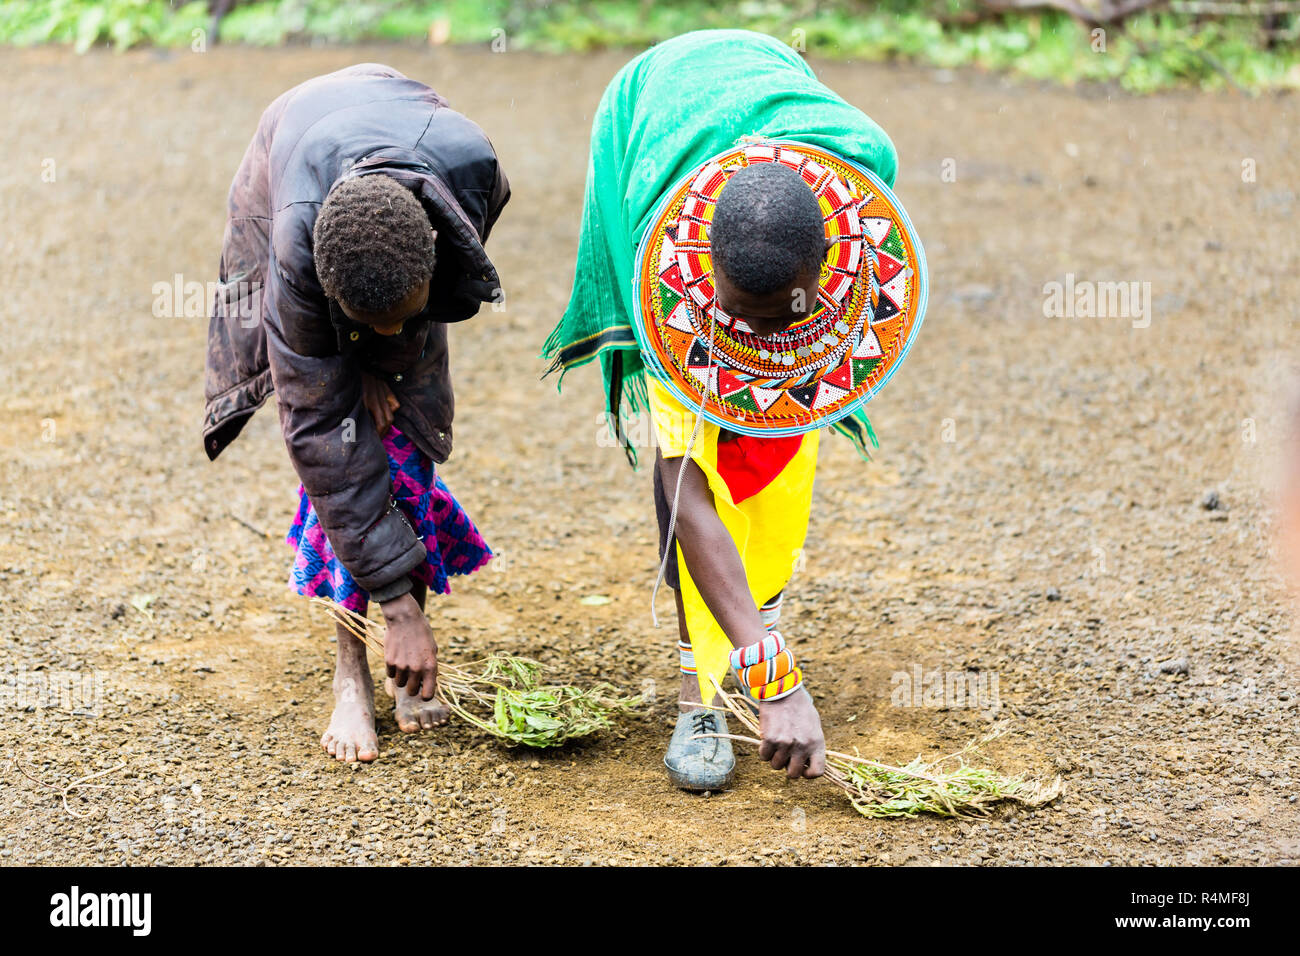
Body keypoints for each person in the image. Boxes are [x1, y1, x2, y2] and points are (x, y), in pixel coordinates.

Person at [543, 30, 925, 791]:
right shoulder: (668, 274)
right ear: (705, 276)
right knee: (683, 449)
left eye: (775, 320)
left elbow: (792, 387)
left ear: (826, 280)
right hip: (649, 124)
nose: (747, 337)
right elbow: (684, 487)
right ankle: (700, 694)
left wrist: (762, 647)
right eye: (734, 314)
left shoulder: (859, 195)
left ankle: (756, 622)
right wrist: (775, 678)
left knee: (787, 433)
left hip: (767, 89)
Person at [203, 64, 510, 762]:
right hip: (292, 165)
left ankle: (406, 656)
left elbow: (411, 300)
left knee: (408, 448)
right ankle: (353, 671)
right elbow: (319, 439)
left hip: (403, 192)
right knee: (349, 445)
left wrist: (386, 355)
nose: (380, 339)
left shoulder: (471, 173)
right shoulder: (295, 260)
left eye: (394, 323)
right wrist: (393, 604)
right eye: (359, 326)